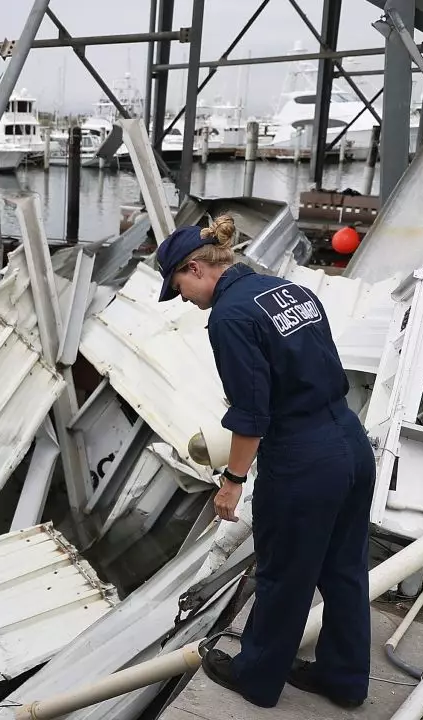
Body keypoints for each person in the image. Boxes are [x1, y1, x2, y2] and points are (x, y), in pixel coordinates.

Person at [155, 215, 374, 709]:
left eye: (179, 287)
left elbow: (252, 414)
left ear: (195, 267)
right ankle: (344, 679)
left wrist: (232, 481)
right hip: (350, 440)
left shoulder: (230, 317)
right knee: (343, 570)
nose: (184, 300)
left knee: (284, 573)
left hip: (303, 457)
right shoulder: (286, 290)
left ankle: (257, 676)